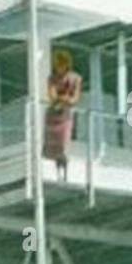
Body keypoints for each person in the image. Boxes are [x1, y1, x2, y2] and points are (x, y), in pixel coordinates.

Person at [43, 48, 83, 180]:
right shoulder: (52, 78)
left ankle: (65, 172)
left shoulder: (75, 78)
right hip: (53, 114)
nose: (59, 67)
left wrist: (64, 99)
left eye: (62, 64)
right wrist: (64, 98)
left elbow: (75, 99)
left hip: (65, 115)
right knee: (53, 146)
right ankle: (57, 172)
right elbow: (52, 96)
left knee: (63, 144)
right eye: (58, 64)